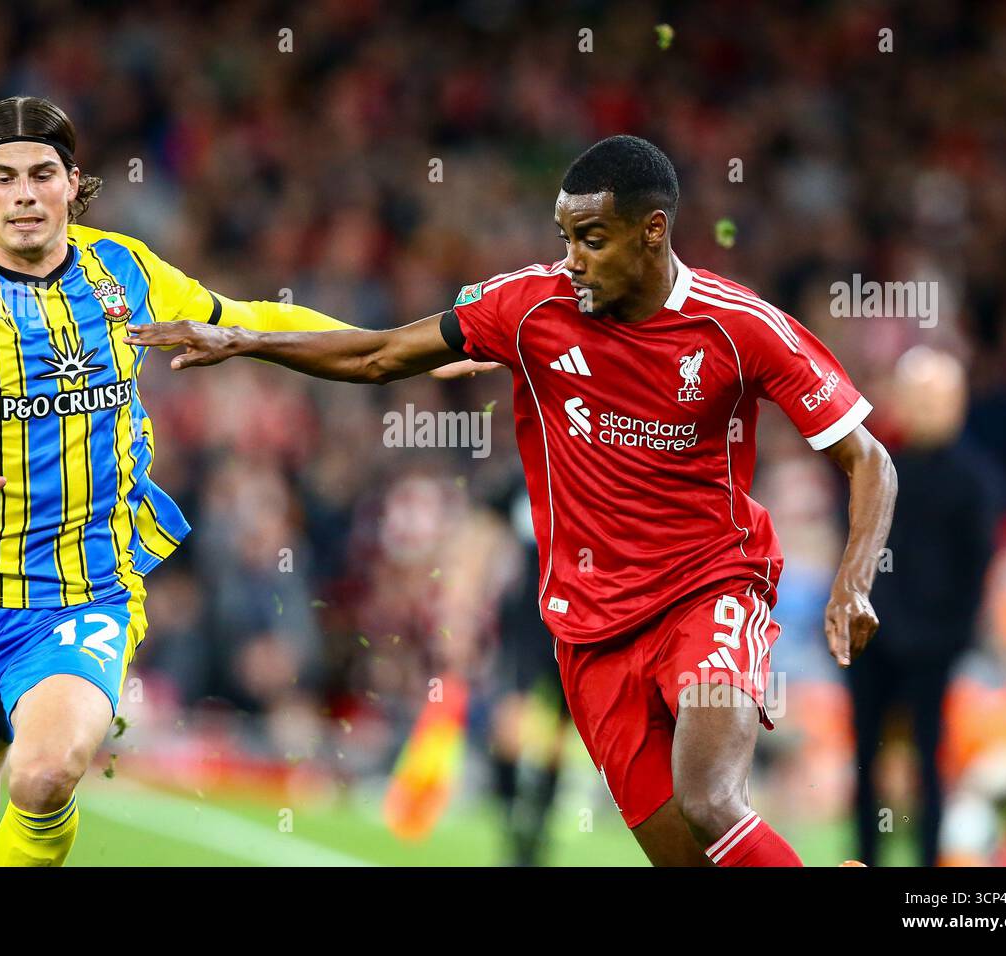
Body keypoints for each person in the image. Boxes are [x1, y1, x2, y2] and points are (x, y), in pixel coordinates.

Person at [126, 134, 898, 866]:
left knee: (710, 800)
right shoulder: (532, 308)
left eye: (591, 238)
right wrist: (247, 339)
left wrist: (854, 577)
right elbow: (378, 353)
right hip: (590, 630)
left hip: (709, 590)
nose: (573, 260)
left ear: (652, 231)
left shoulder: (738, 328)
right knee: (685, 854)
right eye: (565, 237)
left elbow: (869, 459)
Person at [0, 96, 359, 866]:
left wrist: (409, 345)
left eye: (43, 174)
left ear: (75, 182)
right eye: (4, 177)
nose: (25, 194)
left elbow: (254, 318)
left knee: (43, 777)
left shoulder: (124, 270)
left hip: (86, 589)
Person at [850, 346, 1003, 866]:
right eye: (917, 396)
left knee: (929, 762)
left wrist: (946, 636)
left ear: (957, 403)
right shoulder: (877, 469)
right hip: (872, 639)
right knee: (865, 758)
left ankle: (929, 863)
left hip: (933, 646)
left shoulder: (976, 480)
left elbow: (975, 572)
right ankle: (865, 858)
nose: (927, 408)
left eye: (938, 397)